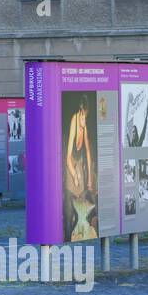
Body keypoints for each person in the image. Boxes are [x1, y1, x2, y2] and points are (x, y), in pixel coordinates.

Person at [64, 95, 97, 240]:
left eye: (86, 117)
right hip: (71, 161)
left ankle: (81, 230)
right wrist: (74, 175)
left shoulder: (85, 124)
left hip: (80, 161)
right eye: (83, 117)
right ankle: (67, 232)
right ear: (80, 111)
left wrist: (89, 177)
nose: (84, 121)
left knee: (83, 196)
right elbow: (67, 157)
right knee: (71, 194)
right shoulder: (74, 121)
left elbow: (88, 154)